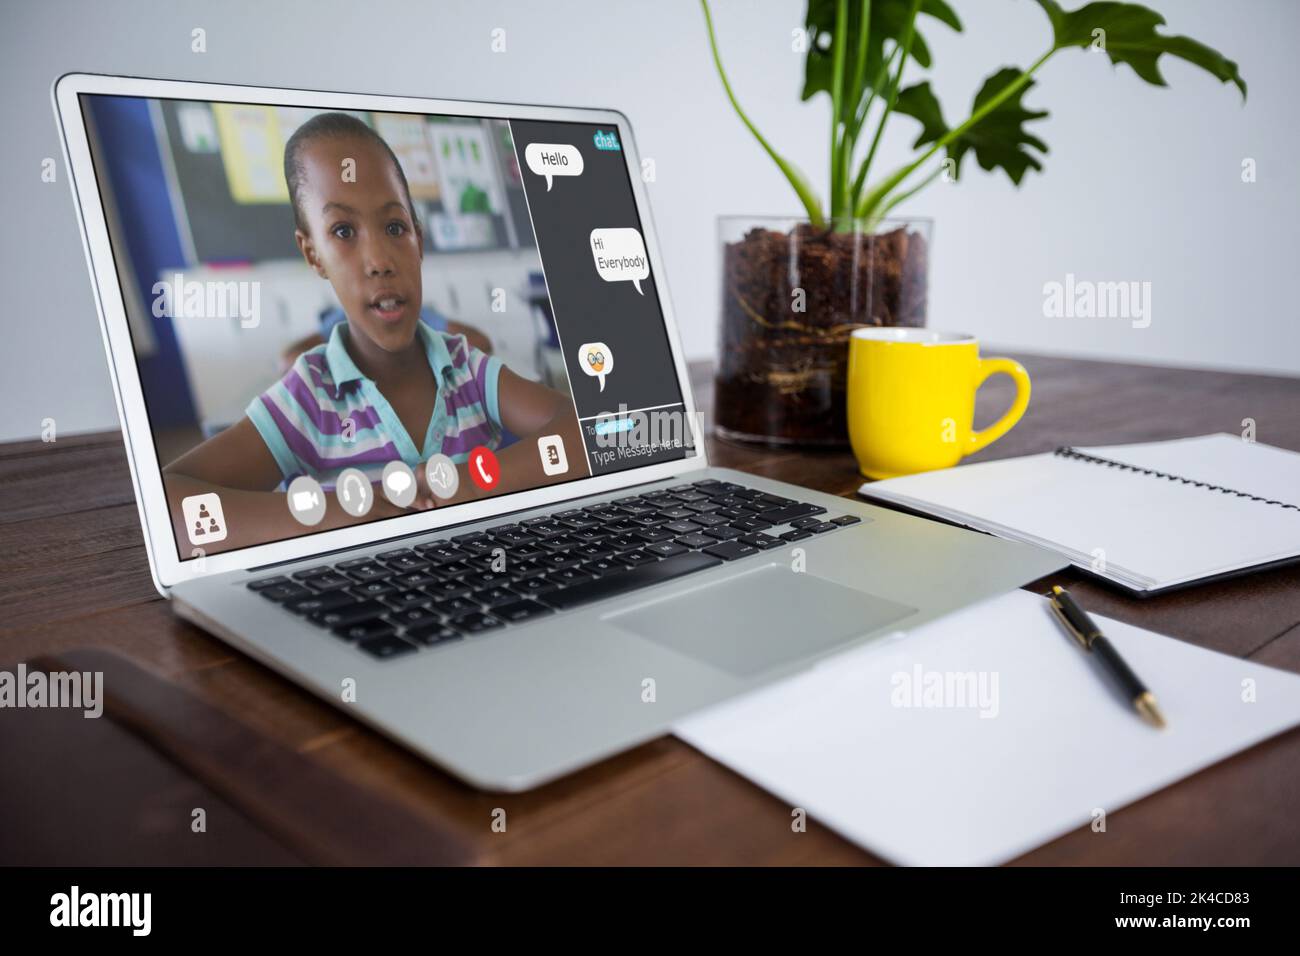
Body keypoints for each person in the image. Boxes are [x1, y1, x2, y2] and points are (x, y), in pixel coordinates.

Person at [163, 112, 582, 553]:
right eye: (343, 231)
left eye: (395, 228)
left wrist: (473, 481)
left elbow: (593, 430)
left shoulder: (467, 373)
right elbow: (169, 504)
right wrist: (327, 514)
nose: (380, 260)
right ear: (313, 254)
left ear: (419, 241)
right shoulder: (308, 401)